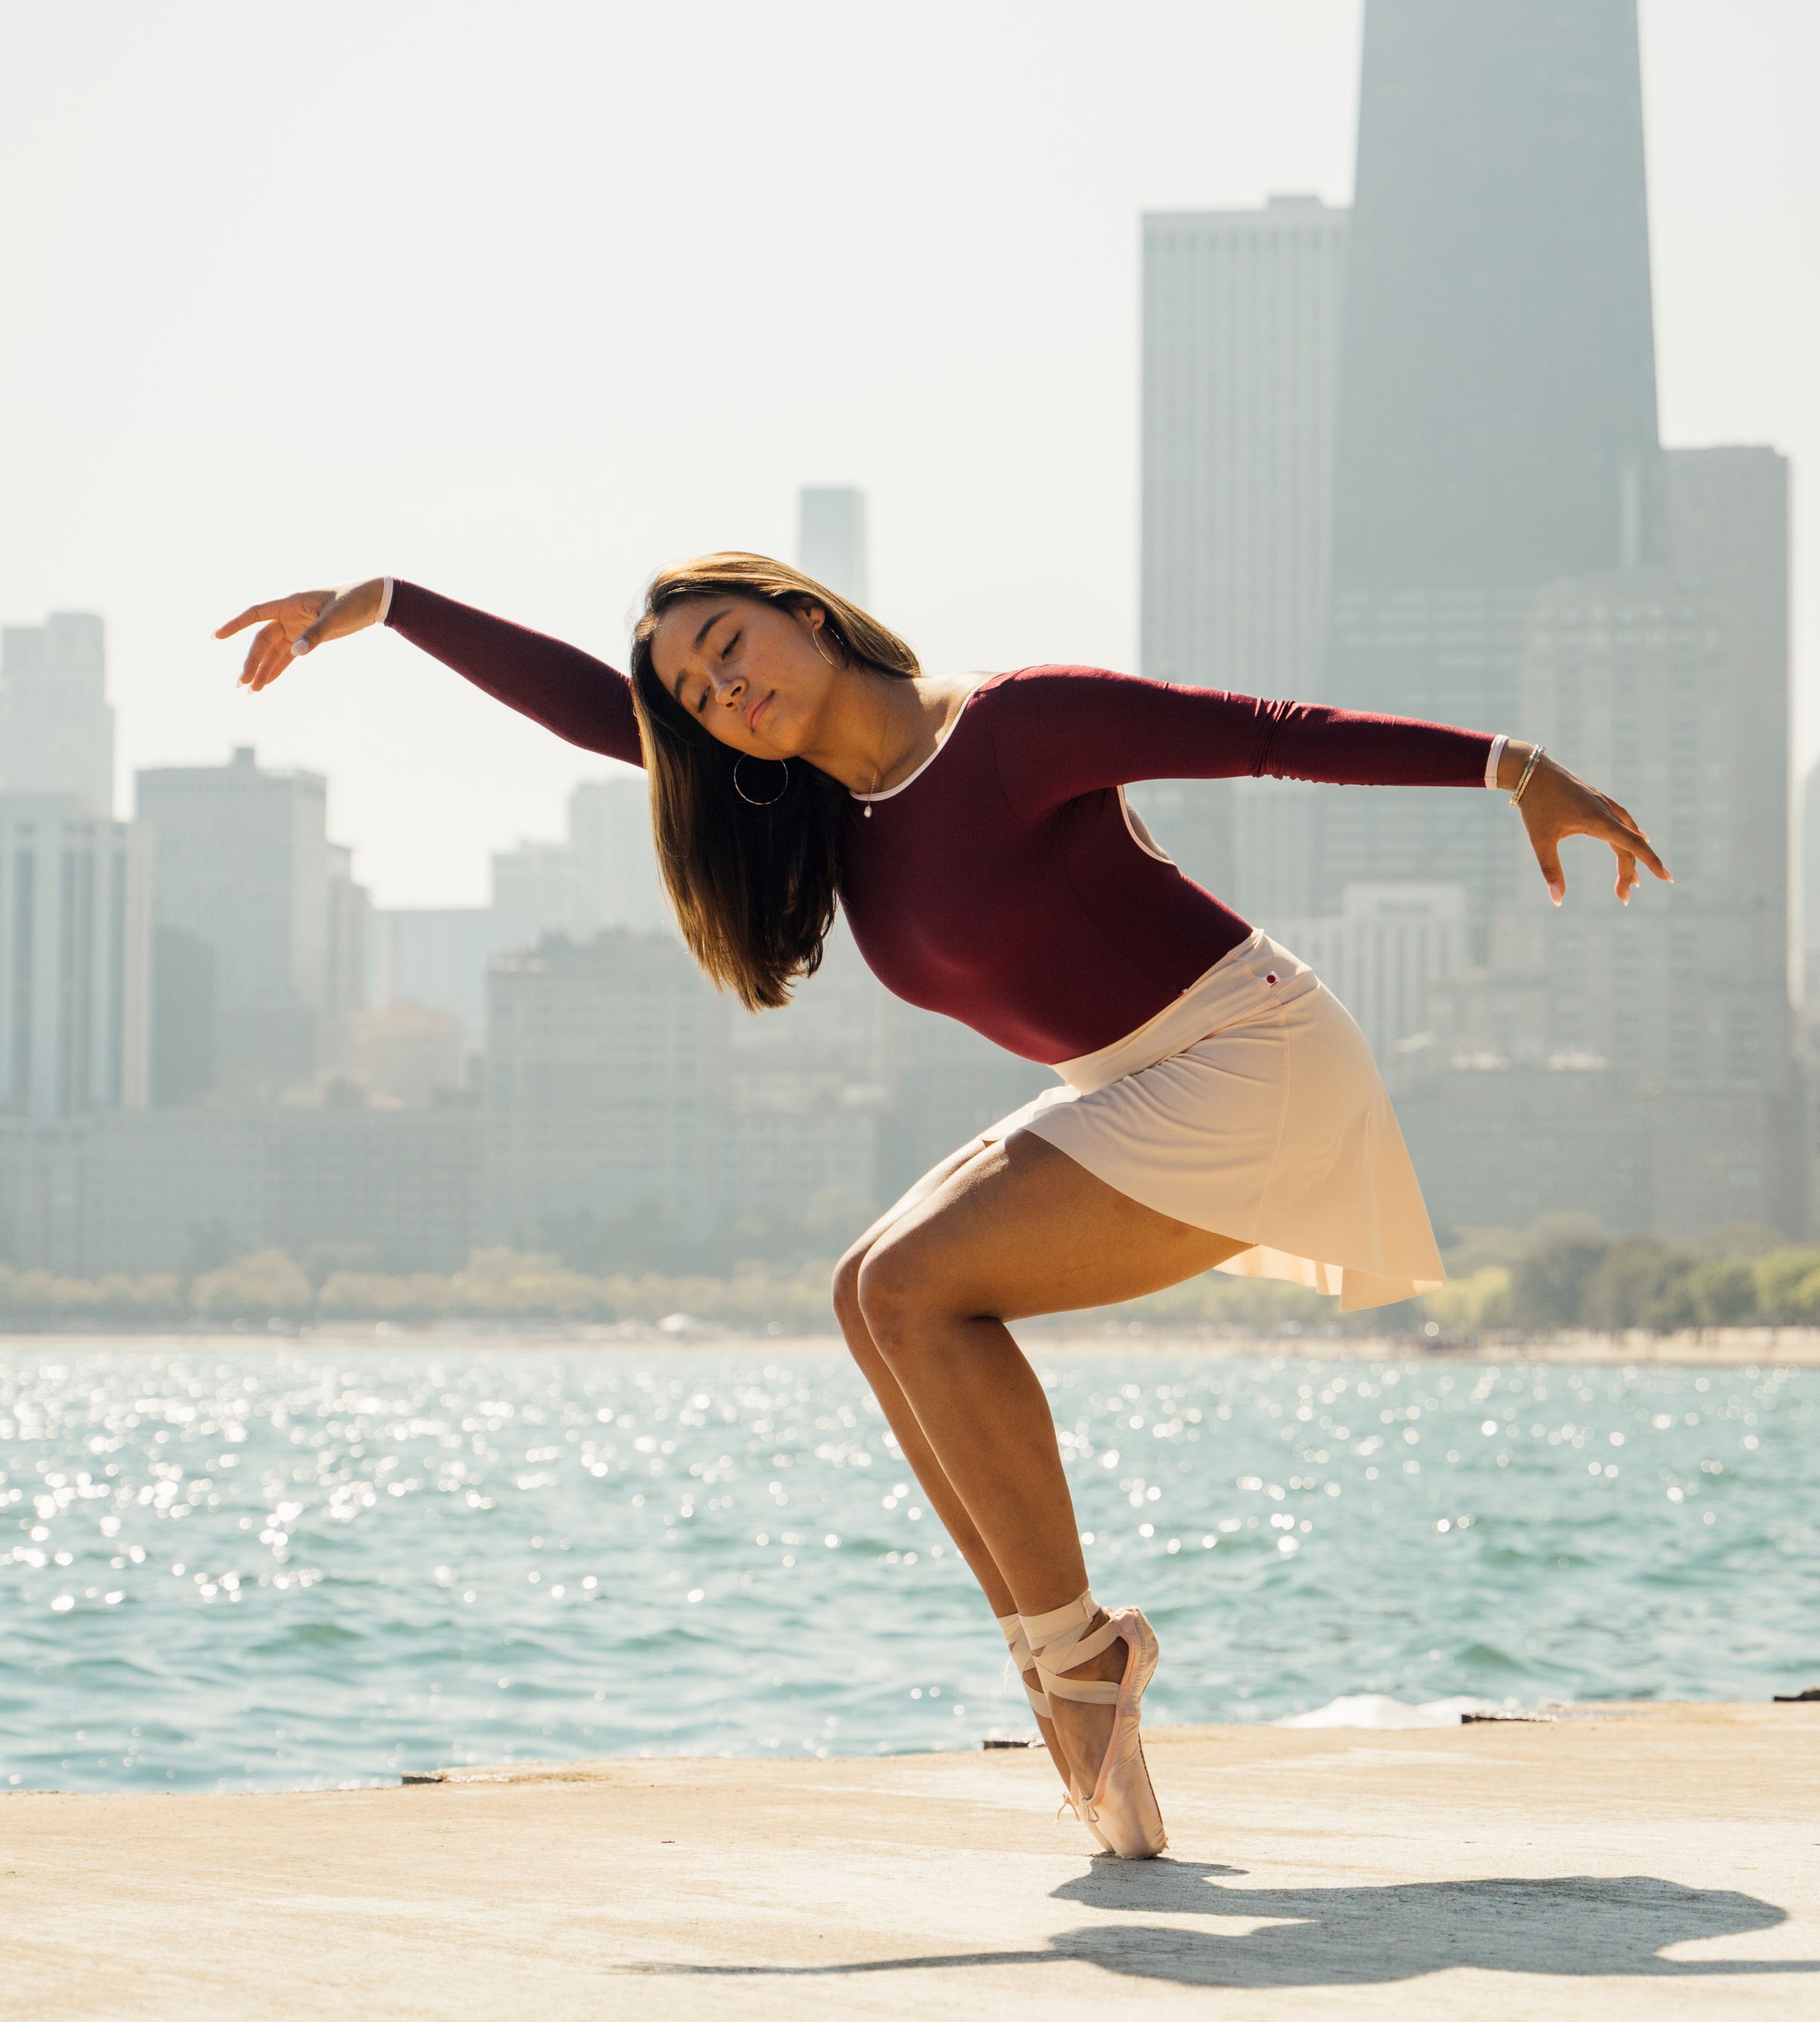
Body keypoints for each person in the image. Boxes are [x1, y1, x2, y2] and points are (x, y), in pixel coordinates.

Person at [218, 558, 1667, 1856]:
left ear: (806, 610)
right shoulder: (814, 807)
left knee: (915, 1286)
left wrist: (1511, 766)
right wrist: (393, 607)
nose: (723, 687)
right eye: (697, 687)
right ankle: (1059, 1660)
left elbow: (1265, 734)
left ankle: (1077, 1661)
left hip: (1252, 1053)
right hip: (1137, 1073)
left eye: (731, 640)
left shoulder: (1016, 725)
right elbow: (607, 715)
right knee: (868, 1294)